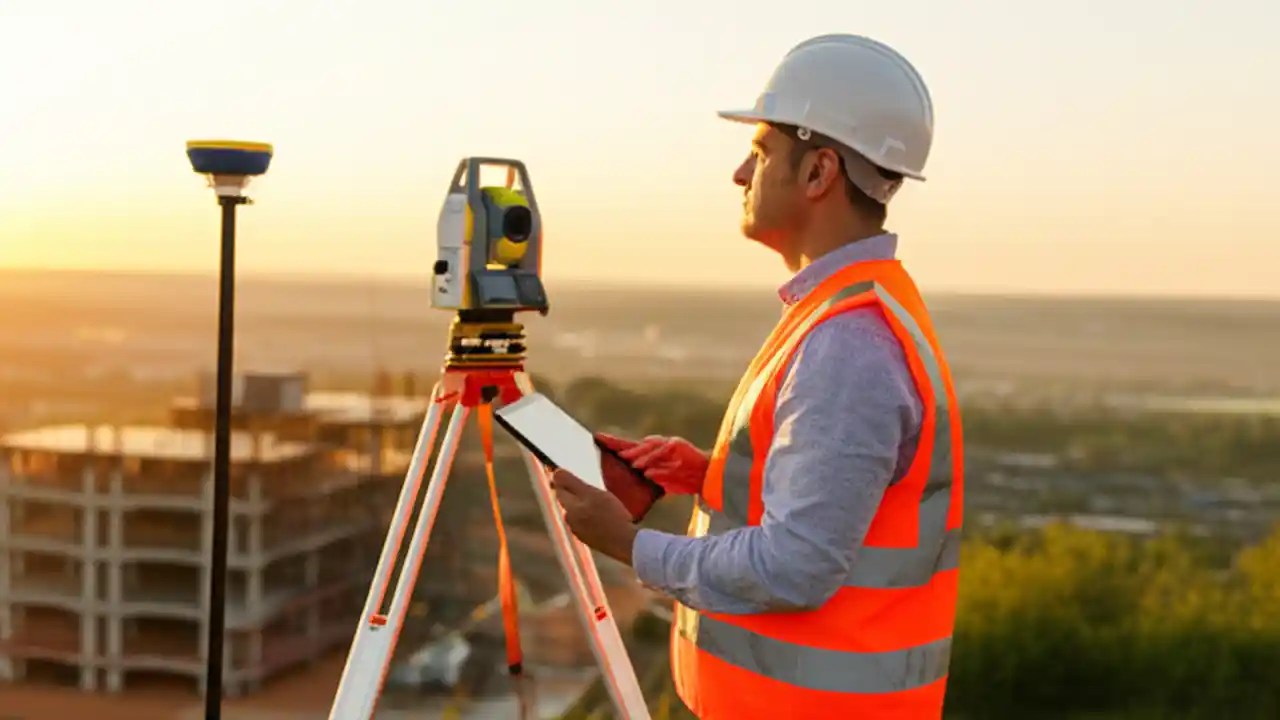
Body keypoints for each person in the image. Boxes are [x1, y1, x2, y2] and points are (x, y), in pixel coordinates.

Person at [550, 33, 964, 719]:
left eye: (761, 152)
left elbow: (795, 564)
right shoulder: (848, 310)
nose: (741, 175)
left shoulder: (848, 343)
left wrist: (629, 545)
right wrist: (712, 473)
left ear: (817, 173)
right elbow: (838, 500)